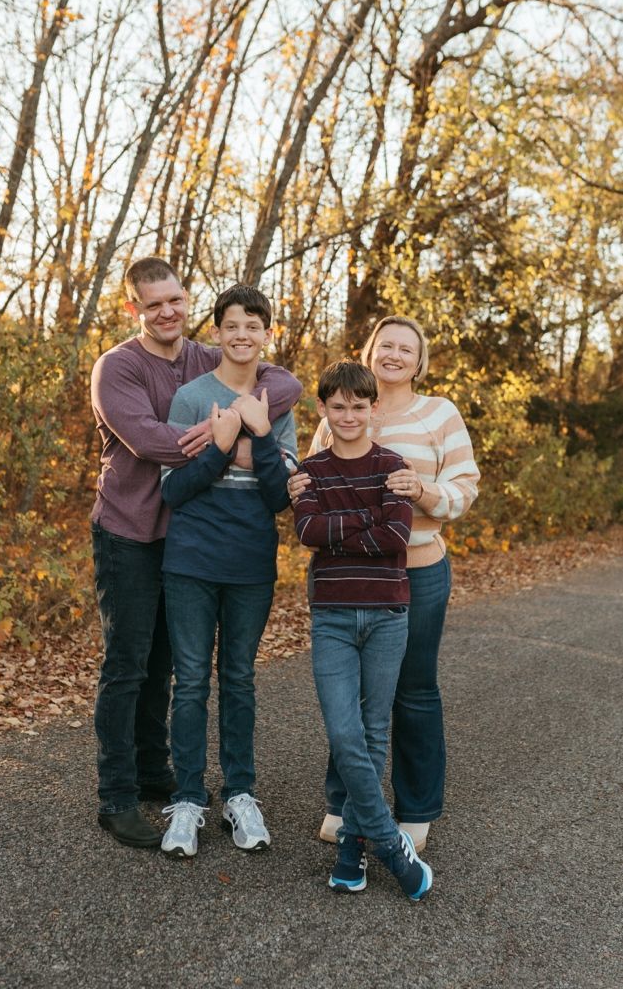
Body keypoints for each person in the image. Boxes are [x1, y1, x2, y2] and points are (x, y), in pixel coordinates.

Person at [90, 259, 301, 848]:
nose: (167, 312)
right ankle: (117, 793)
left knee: (166, 664)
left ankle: (159, 771)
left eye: (175, 300)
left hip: (186, 538)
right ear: (134, 309)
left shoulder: (204, 356)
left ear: (188, 303)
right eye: (153, 303)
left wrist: (242, 415)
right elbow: (154, 441)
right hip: (132, 530)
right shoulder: (119, 367)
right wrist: (235, 440)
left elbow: (286, 384)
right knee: (129, 663)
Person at [291, 316, 479, 854]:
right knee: (349, 696)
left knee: (412, 690)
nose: (394, 355)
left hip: (418, 569)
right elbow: (313, 481)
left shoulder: (439, 414)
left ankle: (416, 807)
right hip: (349, 574)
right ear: (371, 351)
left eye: (406, 349)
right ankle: (346, 803)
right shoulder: (343, 408)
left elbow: (464, 488)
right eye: (386, 345)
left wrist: (420, 490)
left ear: (419, 361)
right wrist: (297, 485)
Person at [158, 284, 297, 858]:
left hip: (250, 564)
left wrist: (259, 434)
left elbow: (279, 497)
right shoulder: (192, 396)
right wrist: (216, 449)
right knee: (190, 680)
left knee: (238, 678)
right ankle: (188, 800)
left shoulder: (277, 405)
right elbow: (173, 490)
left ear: (268, 334)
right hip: (190, 562)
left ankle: (239, 794)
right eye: (232, 325)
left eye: (253, 325)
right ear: (216, 332)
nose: (242, 335)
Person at [293, 359, 432, 899]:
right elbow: (307, 530)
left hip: (387, 613)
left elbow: (396, 535)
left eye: (358, 406)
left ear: (373, 409)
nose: (348, 415)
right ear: (323, 411)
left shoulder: (395, 466)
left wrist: (339, 530)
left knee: (375, 730)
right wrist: (362, 523)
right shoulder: (311, 470)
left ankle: (352, 845)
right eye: (337, 406)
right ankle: (391, 844)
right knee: (344, 731)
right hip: (332, 616)